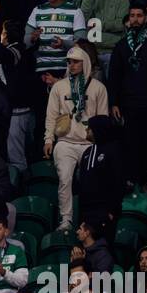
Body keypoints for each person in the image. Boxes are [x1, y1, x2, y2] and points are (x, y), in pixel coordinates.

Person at [44, 45, 109, 230]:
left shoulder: (99, 88)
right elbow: (51, 116)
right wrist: (48, 139)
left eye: (76, 62)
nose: (71, 65)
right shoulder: (59, 86)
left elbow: (103, 120)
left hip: (90, 144)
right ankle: (66, 220)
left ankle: (89, 221)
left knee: (91, 184)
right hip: (65, 142)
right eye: (69, 62)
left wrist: (101, 146)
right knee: (65, 179)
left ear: (85, 63)